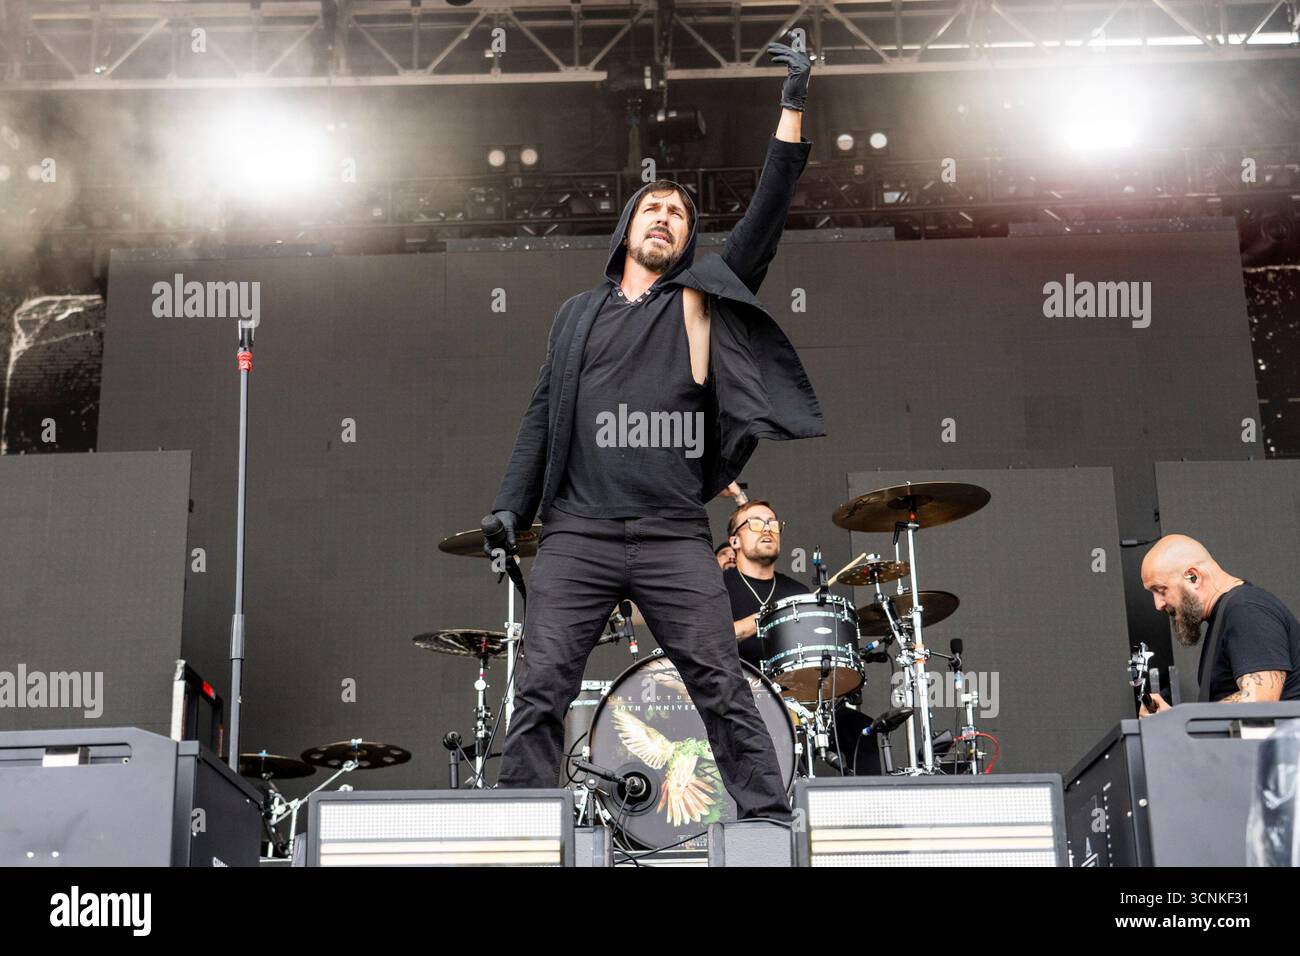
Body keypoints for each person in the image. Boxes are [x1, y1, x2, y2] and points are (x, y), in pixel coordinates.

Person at [485, 38, 824, 822]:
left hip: (674, 534)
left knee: (721, 686)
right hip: (577, 532)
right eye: (654, 207)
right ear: (627, 228)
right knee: (540, 687)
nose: (666, 216)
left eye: (679, 212)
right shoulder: (575, 315)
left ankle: (768, 821)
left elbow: (766, 219)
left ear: (687, 239)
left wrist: (793, 106)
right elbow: (541, 415)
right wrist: (512, 505)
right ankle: (520, 828)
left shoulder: (698, 301)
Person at [1139, 533, 1300, 715]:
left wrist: (1182, 718)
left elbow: (1260, 701)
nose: (1158, 604)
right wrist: (1171, 719)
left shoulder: (1245, 608)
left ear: (1193, 577)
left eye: (1161, 590)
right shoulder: (1227, 613)